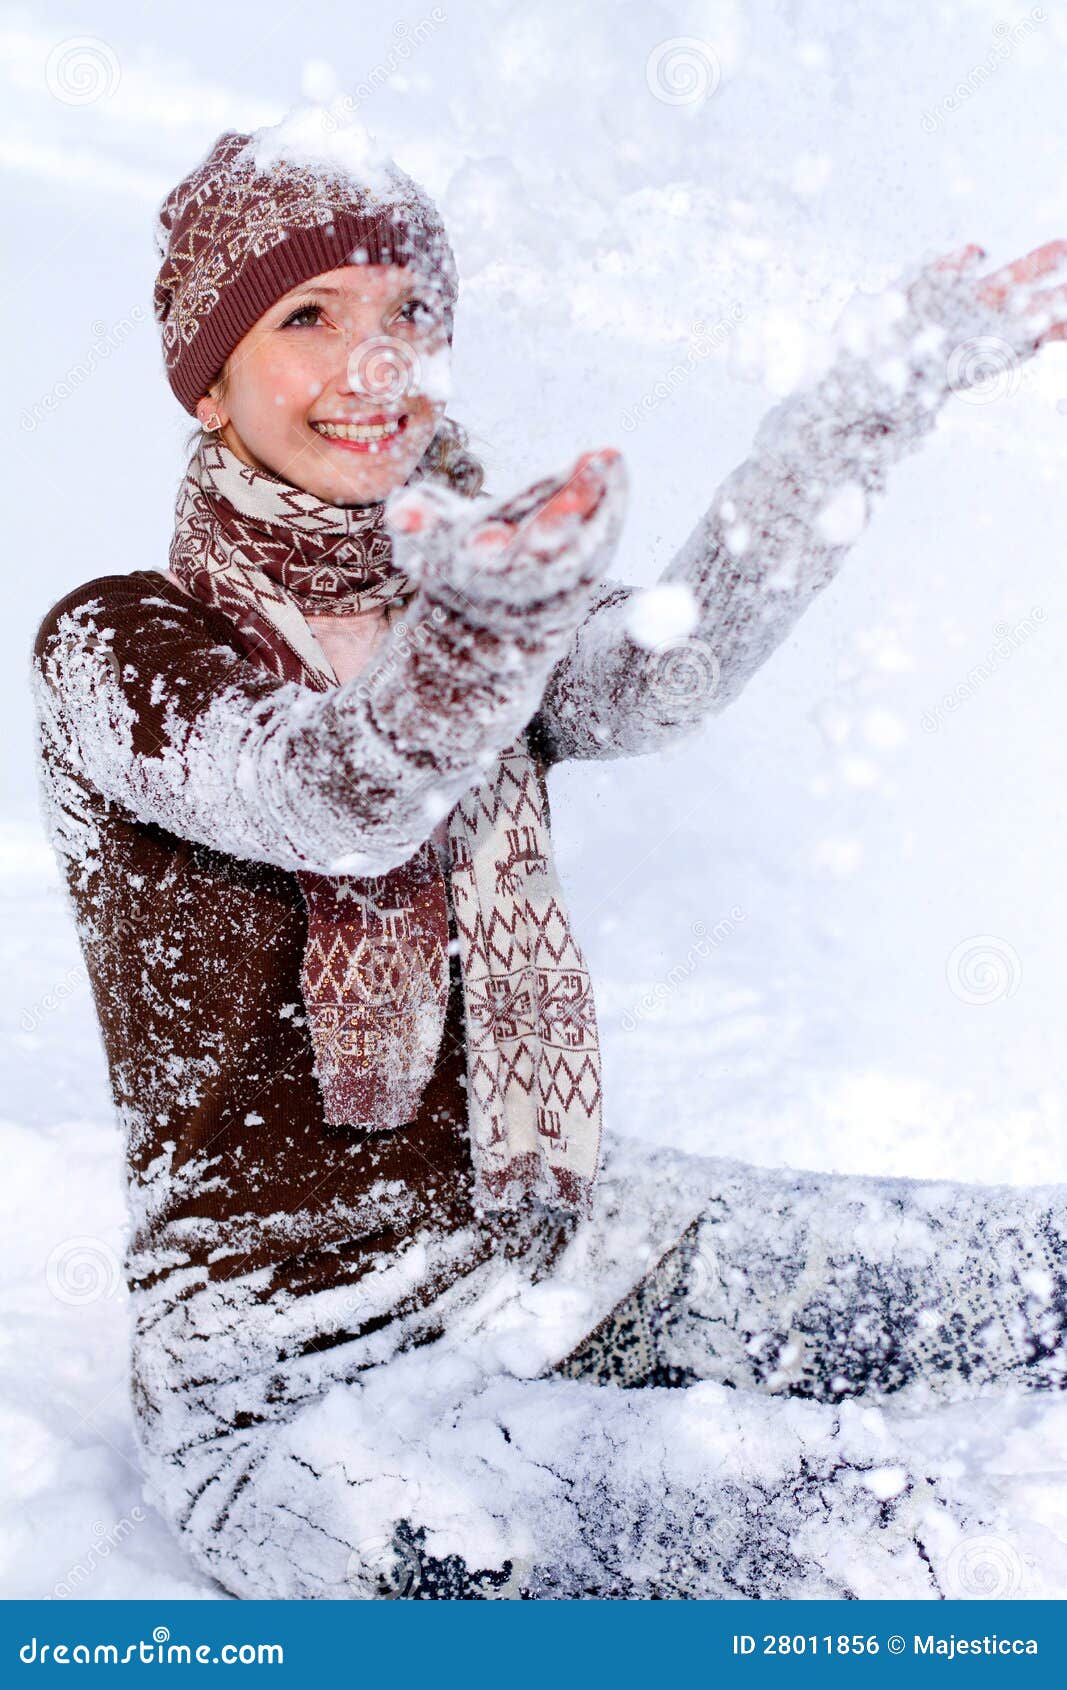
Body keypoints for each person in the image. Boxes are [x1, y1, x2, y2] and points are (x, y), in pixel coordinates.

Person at [30, 112, 1067, 1600]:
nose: (372, 360)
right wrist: (483, 630)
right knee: (856, 1565)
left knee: (1019, 1276)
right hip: (294, 1394)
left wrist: (869, 399)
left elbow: (670, 665)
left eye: (406, 313)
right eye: (309, 316)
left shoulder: (471, 592)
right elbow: (329, 793)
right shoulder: (119, 648)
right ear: (209, 379)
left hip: (546, 1238)